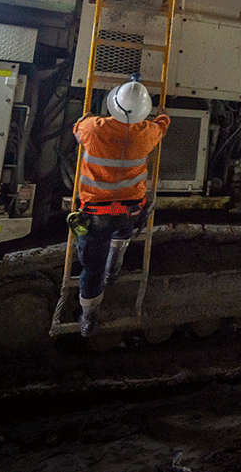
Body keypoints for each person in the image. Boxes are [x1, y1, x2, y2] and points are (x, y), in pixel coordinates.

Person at [71, 75, 170, 337]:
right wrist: (160, 114)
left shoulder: (94, 128)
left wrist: (89, 116)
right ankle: (112, 273)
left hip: (97, 213)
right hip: (126, 212)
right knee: (120, 235)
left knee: (91, 267)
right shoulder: (147, 133)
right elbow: (162, 124)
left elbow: (78, 127)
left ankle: (89, 317)